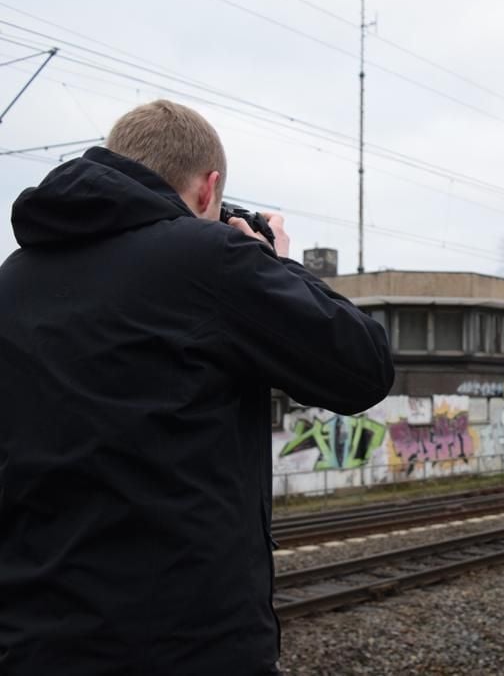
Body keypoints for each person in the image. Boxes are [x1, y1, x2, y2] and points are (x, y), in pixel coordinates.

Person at [0, 100, 394, 675]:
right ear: (209, 191)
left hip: (34, 645)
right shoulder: (207, 259)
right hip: (189, 648)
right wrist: (277, 265)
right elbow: (364, 367)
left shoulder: (12, 281)